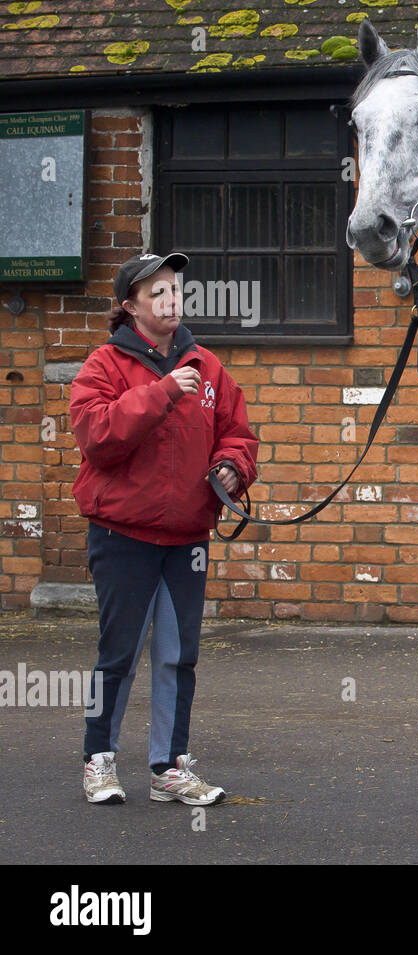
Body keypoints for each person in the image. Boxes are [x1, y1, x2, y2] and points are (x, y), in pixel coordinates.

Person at [70, 251, 259, 806]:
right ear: (129, 306)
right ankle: (98, 760)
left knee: (178, 656)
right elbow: (97, 437)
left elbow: (239, 435)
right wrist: (163, 392)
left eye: (175, 289)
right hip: (123, 536)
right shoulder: (102, 366)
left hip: (186, 541)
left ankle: (169, 767)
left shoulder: (209, 367)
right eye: (157, 292)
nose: (171, 300)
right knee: (119, 653)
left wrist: (233, 467)